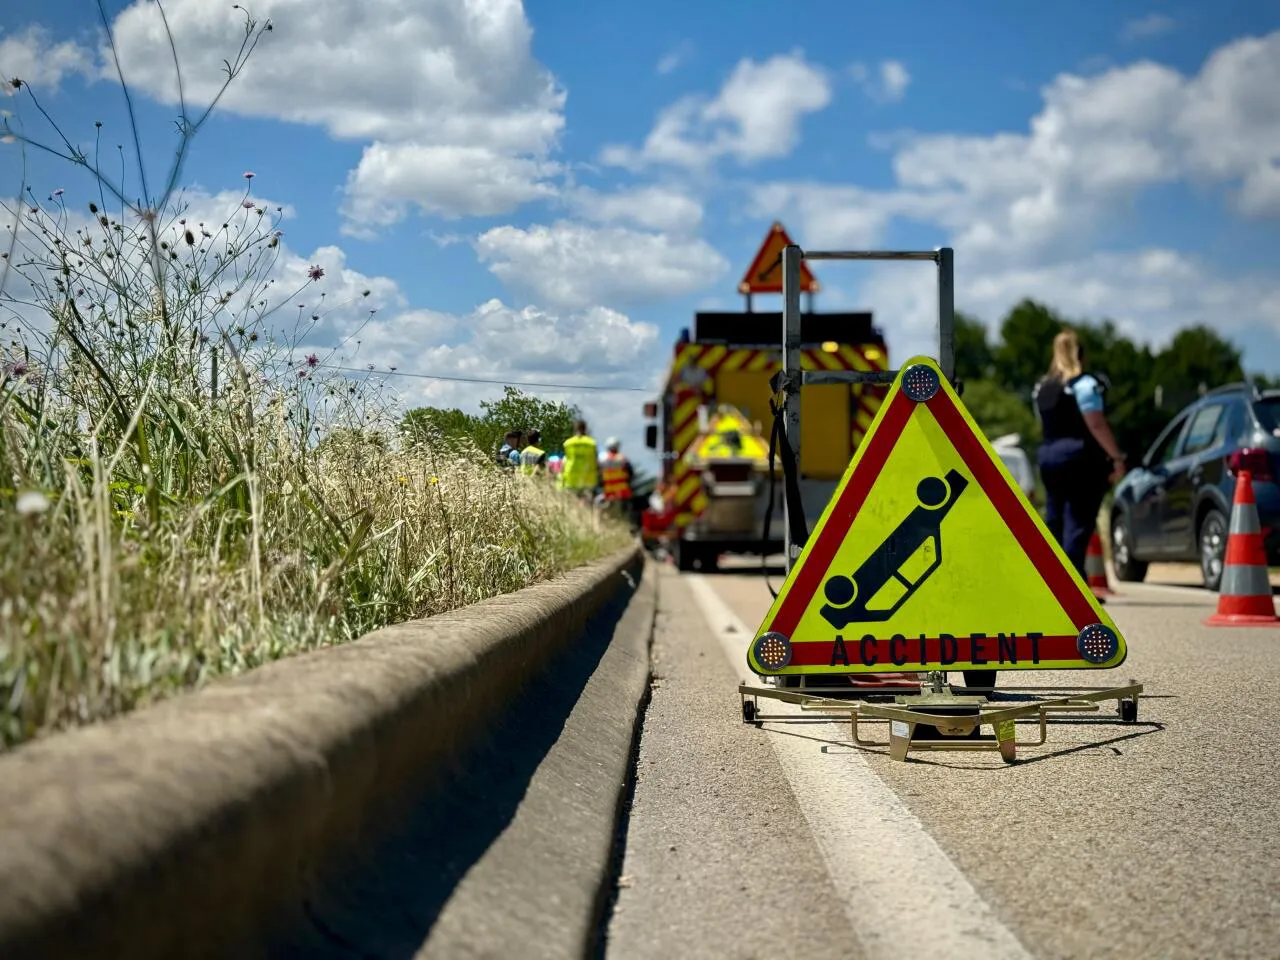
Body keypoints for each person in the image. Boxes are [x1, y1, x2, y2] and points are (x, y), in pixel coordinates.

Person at [1033, 329, 1128, 583]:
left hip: (1048, 457)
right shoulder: (1085, 385)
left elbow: (1042, 424)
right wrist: (1116, 458)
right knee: (1078, 523)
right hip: (1080, 460)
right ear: (1081, 355)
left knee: (1055, 520)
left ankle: (1052, 581)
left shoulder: (1042, 388)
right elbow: (1096, 424)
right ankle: (1074, 584)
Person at [599, 437, 636, 527]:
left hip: (609, 493)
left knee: (609, 516)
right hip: (623, 493)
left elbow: (599, 476)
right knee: (626, 516)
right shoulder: (622, 459)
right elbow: (631, 474)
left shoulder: (602, 460)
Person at [560, 419, 599, 499]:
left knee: (573, 504)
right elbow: (596, 460)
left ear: (575, 429)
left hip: (571, 477)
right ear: (585, 429)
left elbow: (565, 461)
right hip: (588, 478)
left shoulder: (568, 443)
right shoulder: (591, 443)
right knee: (586, 505)